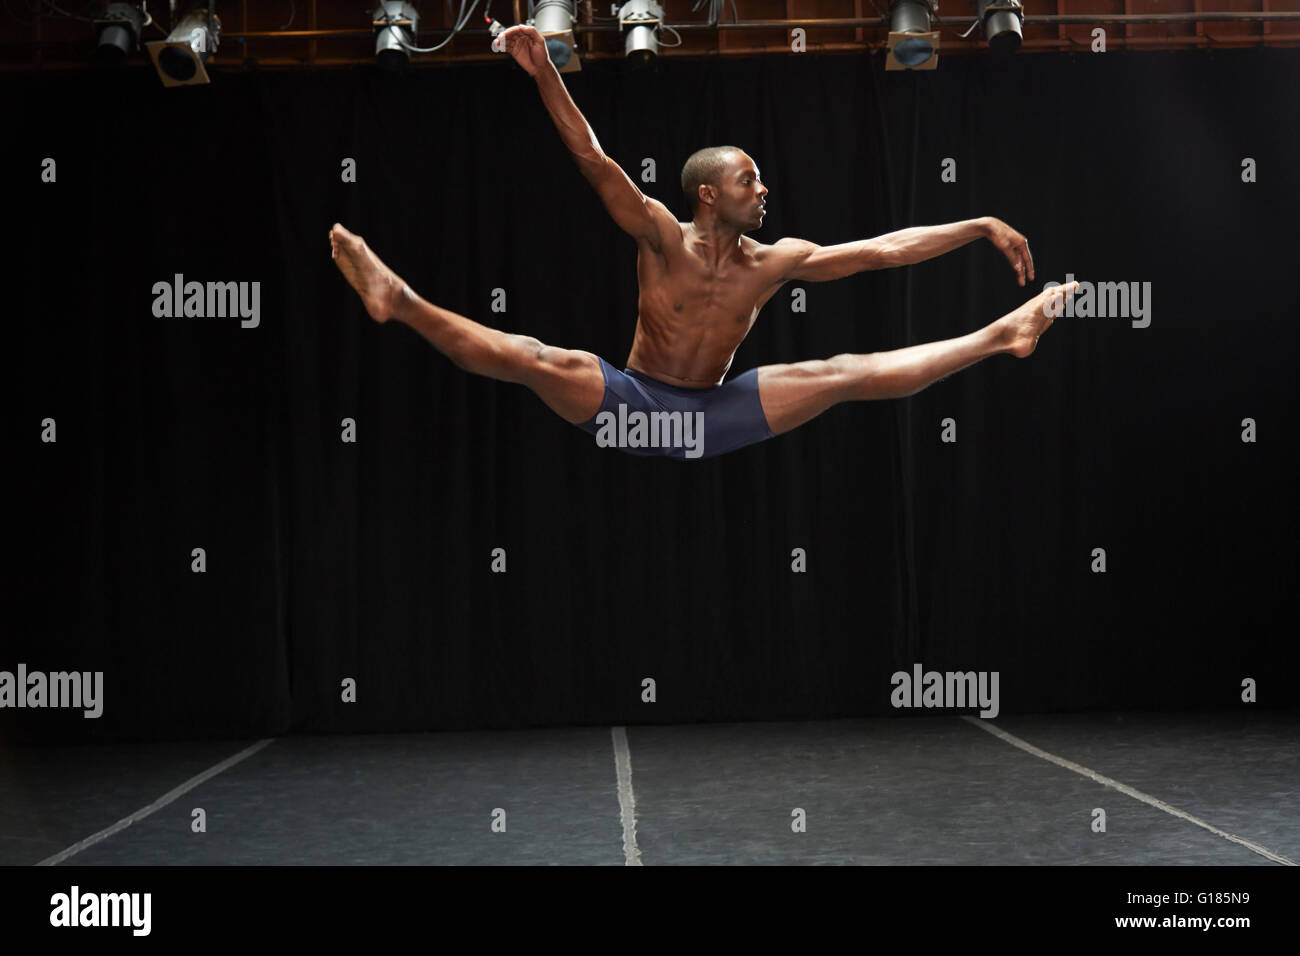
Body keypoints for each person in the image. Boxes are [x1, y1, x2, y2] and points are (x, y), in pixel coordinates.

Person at [328, 24, 1075, 460]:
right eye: (751, 180)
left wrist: (978, 224)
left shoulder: (776, 261)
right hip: (630, 408)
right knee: (535, 360)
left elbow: (884, 250)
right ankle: (401, 300)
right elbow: (593, 159)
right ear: (708, 194)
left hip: (715, 417)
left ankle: (1001, 334)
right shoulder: (660, 234)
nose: (765, 191)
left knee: (845, 371)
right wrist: (546, 75)